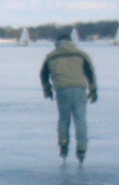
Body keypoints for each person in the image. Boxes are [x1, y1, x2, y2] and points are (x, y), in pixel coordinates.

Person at [40, 31, 98, 162]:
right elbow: (90, 72)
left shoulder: (51, 56)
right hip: (79, 90)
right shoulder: (80, 54)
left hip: (62, 91)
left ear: (57, 43)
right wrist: (93, 90)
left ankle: (63, 146)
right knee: (80, 120)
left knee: (63, 120)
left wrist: (47, 89)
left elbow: (43, 74)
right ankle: (81, 149)